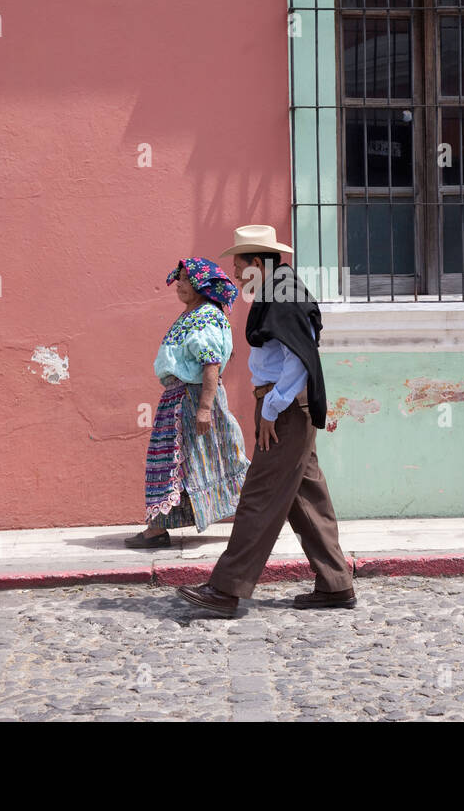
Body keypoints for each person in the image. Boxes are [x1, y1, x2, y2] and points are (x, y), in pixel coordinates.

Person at [176, 225, 355, 617]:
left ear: (257, 263)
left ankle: (226, 589)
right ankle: (335, 583)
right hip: (287, 407)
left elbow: (298, 360)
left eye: (240, 265)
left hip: (284, 410)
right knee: (306, 496)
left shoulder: (281, 294)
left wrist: (271, 408)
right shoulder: (278, 289)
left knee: (258, 496)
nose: (236, 273)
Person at [127, 257, 249, 548]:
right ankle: (157, 527)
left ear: (200, 284)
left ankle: (257, 516)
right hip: (177, 400)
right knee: (175, 463)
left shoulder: (206, 316)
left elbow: (211, 364)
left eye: (185, 279)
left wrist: (205, 408)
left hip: (193, 400)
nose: (179, 284)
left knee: (216, 459)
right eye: (179, 278)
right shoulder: (190, 315)